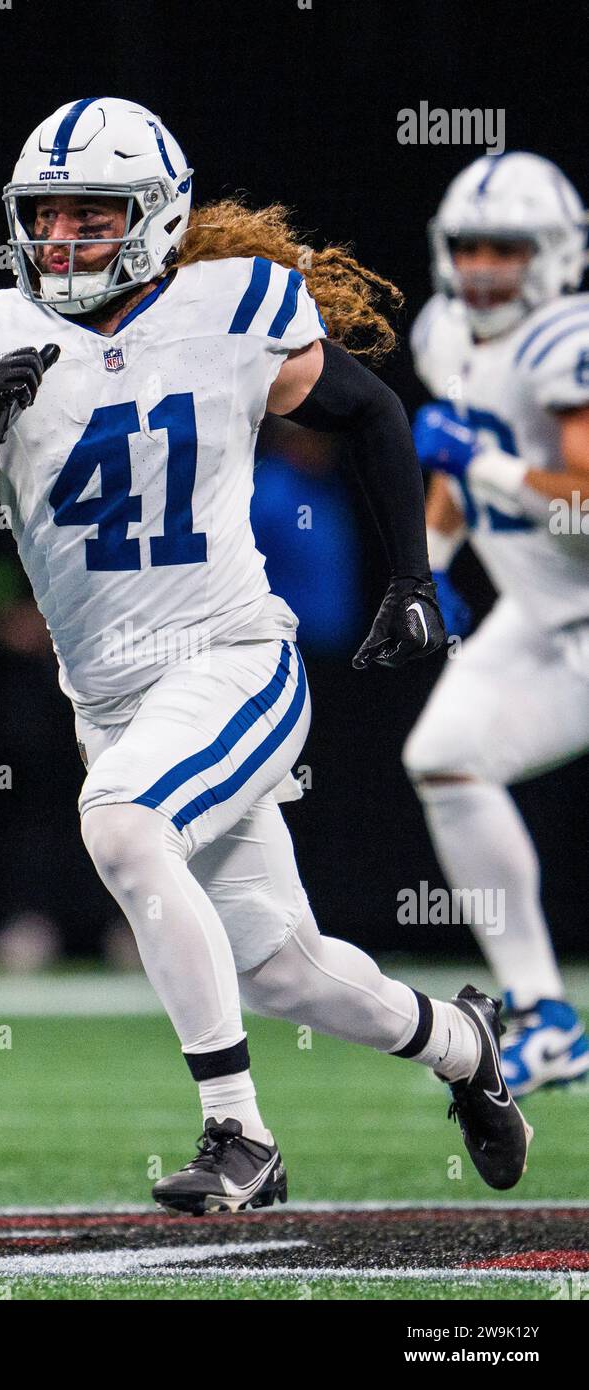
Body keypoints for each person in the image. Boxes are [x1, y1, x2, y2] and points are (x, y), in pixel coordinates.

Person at [0, 98, 531, 1210]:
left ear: (154, 219)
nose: (63, 241)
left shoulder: (230, 310)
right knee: (284, 968)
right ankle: (466, 1046)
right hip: (110, 697)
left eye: (92, 218)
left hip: (232, 656)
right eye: (47, 218)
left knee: (123, 825)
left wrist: (411, 583)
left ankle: (239, 1134)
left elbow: (372, 413)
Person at [406, 151, 589, 1097]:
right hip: (552, 616)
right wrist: (425, 573)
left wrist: (486, 468)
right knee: (445, 755)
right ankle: (547, 1017)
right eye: (469, 246)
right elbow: (453, 467)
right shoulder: (446, 333)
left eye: (506, 249)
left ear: (554, 255)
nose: (482, 267)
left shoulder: (570, 341)